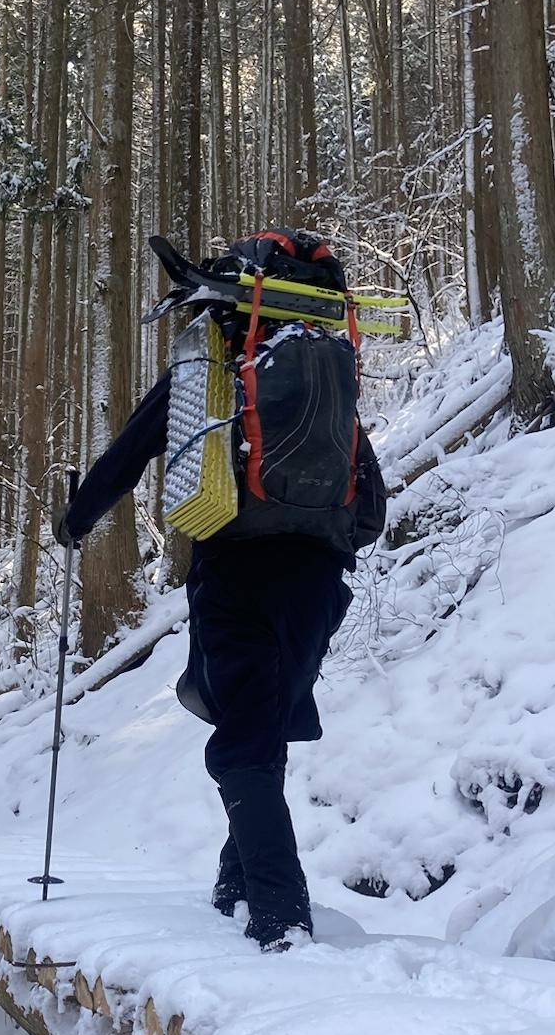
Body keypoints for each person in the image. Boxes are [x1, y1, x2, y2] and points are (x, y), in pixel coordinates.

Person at [55, 226, 386, 952]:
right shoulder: (332, 378)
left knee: (240, 745)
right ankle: (236, 887)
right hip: (319, 581)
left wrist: (76, 522)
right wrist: (323, 546)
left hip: (236, 570)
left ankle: (281, 916)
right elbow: (370, 505)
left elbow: (129, 454)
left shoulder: (214, 379)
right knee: (261, 727)